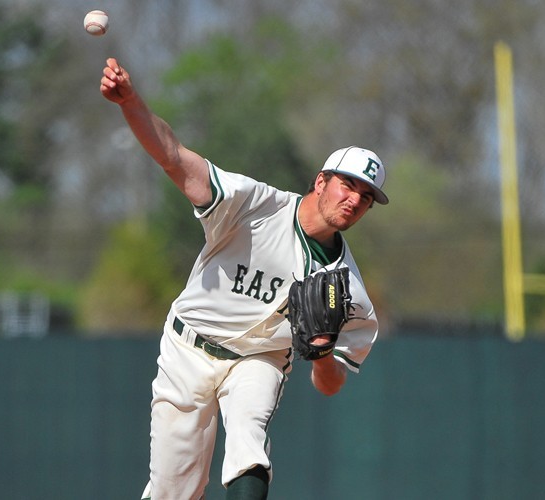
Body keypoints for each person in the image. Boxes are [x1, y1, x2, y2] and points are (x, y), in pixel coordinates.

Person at [99, 56, 388, 500]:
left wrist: (323, 354)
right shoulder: (254, 205)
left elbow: (330, 386)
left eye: (366, 197)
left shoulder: (347, 287)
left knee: (249, 445)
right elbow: (173, 158)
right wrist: (131, 103)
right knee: (173, 491)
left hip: (261, 359)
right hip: (188, 347)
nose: (354, 200)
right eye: (347, 185)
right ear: (321, 181)